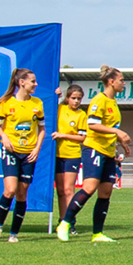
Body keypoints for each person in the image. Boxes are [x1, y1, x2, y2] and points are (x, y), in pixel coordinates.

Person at [57, 66, 130, 244]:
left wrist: (121, 143)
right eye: (121, 80)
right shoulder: (100, 99)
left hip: (108, 151)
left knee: (105, 192)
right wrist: (117, 132)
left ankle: (97, 233)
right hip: (94, 149)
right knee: (89, 188)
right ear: (111, 82)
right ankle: (65, 223)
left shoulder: (113, 102)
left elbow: (109, 128)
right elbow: (92, 124)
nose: (124, 83)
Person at [0, 68, 46, 243]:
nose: (36, 84)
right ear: (22, 82)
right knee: (10, 190)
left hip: (28, 153)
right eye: (32, 81)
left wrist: (37, 148)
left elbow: (42, 129)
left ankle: (13, 234)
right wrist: (4, 136)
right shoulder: (7, 103)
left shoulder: (37, 104)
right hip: (11, 151)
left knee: (22, 193)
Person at [52, 84, 88, 235]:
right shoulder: (60, 110)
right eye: (73, 98)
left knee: (68, 190)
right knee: (60, 190)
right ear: (67, 98)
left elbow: (82, 137)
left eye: (79, 99)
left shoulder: (82, 115)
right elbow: (50, 107)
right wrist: (56, 96)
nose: (76, 101)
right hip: (57, 154)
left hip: (72, 155)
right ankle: (61, 221)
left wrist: (63, 135)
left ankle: (70, 222)